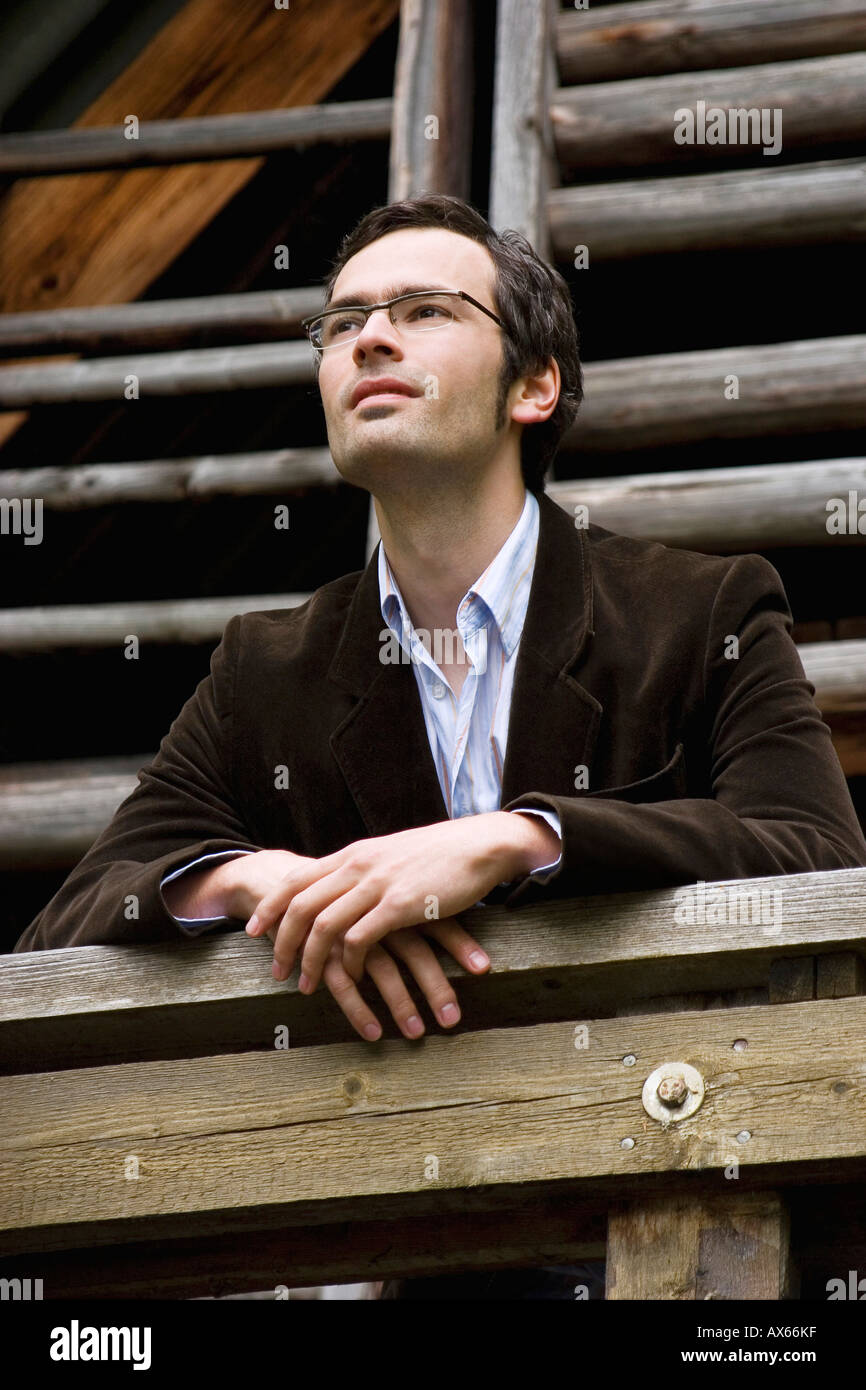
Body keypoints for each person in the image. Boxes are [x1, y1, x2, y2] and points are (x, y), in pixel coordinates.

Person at [16, 194, 866, 1302]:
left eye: (422, 310)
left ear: (532, 384)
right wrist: (251, 878)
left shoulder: (701, 607)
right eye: (341, 321)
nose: (368, 336)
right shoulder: (261, 666)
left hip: (675, 1210)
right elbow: (61, 933)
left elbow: (814, 854)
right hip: (401, 1245)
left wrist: (523, 838)